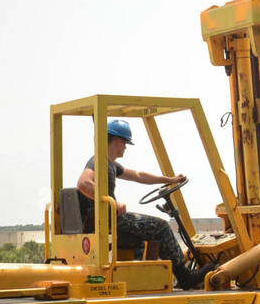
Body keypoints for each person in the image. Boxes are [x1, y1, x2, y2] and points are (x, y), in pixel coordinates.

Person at [77, 119, 207, 289]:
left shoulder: (111, 164)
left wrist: (170, 179)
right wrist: (113, 204)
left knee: (145, 234)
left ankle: (142, 276)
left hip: (108, 219)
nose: (125, 148)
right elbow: (83, 183)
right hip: (108, 220)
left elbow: (138, 175)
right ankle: (184, 276)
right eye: (125, 143)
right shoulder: (97, 161)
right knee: (161, 227)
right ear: (117, 141)